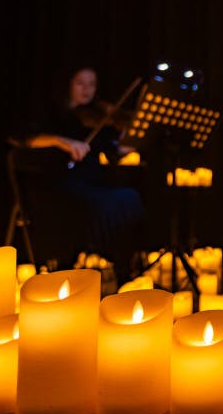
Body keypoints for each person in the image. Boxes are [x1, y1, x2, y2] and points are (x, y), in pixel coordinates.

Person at [22, 66, 143, 279]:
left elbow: (115, 151)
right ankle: (76, 261)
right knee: (101, 204)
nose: (87, 90)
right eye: (80, 83)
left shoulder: (98, 118)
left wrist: (134, 138)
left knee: (129, 198)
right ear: (68, 84)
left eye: (92, 84)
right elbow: (25, 140)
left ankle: (123, 267)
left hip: (94, 183)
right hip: (60, 183)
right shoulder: (52, 114)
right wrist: (61, 141)